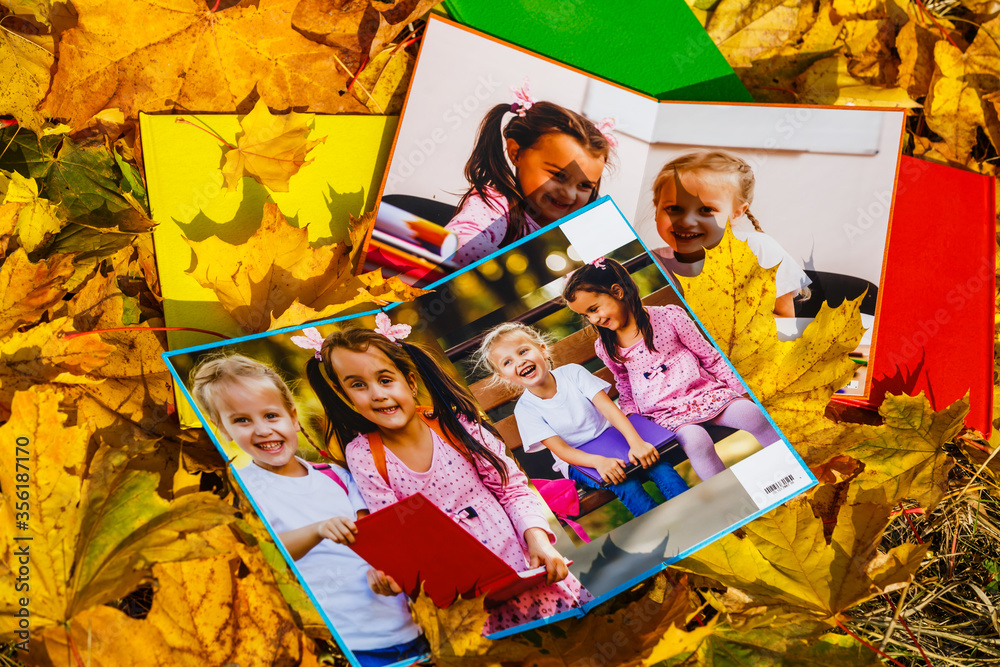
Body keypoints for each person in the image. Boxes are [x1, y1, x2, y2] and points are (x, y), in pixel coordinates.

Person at [305, 316, 591, 635]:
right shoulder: (364, 456)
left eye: (385, 379)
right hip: (465, 598)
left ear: (410, 382)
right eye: (357, 385)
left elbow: (512, 490)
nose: (376, 394)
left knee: (579, 640)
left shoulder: (456, 428)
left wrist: (539, 541)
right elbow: (394, 531)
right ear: (345, 395)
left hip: (525, 568)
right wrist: (389, 572)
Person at [189, 354, 427, 667]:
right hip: (345, 646)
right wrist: (317, 530)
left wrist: (387, 573)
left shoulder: (336, 476)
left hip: (409, 628)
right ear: (223, 430)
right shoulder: (242, 491)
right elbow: (263, 555)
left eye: (271, 416)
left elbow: (377, 538)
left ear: (293, 417)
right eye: (242, 420)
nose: (262, 430)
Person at [562, 259, 781, 482]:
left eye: (593, 309)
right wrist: (633, 424)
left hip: (704, 393)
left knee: (752, 414)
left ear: (617, 291)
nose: (594, 320)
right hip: (665, 412)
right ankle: (734, 500)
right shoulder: (606, 346)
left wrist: (740, 389)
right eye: (587, 316)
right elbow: (624, 384)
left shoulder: (669, 317)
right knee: (696, 442)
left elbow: (710, 357)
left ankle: (793, 468)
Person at [474, 321, 688, 518]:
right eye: (508, 362)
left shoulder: (573, 374)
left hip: (615, 439)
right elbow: (562, 451)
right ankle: (665, 532)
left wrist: (636, 442)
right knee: (624, 483)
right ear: (503, 376)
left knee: (658, 465)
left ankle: (694, 516)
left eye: (523, 351)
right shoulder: (525, 410)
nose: (520, 361)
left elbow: (610, 410)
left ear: (542, 349)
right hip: (580, 460)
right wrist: (598, 462)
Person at [445, 79, 615, 267]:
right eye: (558, 175)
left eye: (584, 185)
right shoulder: (496, 205)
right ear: (516, 153)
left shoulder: (575, 228)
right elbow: (459, 242)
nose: (569, 194)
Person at [650, 150, 810, 317]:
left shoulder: (760, 251)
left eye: (706, 210)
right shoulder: (651, 263)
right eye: (673, 208)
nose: (686, 221)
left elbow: (785, 320)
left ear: (736, 213)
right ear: (657, 209)